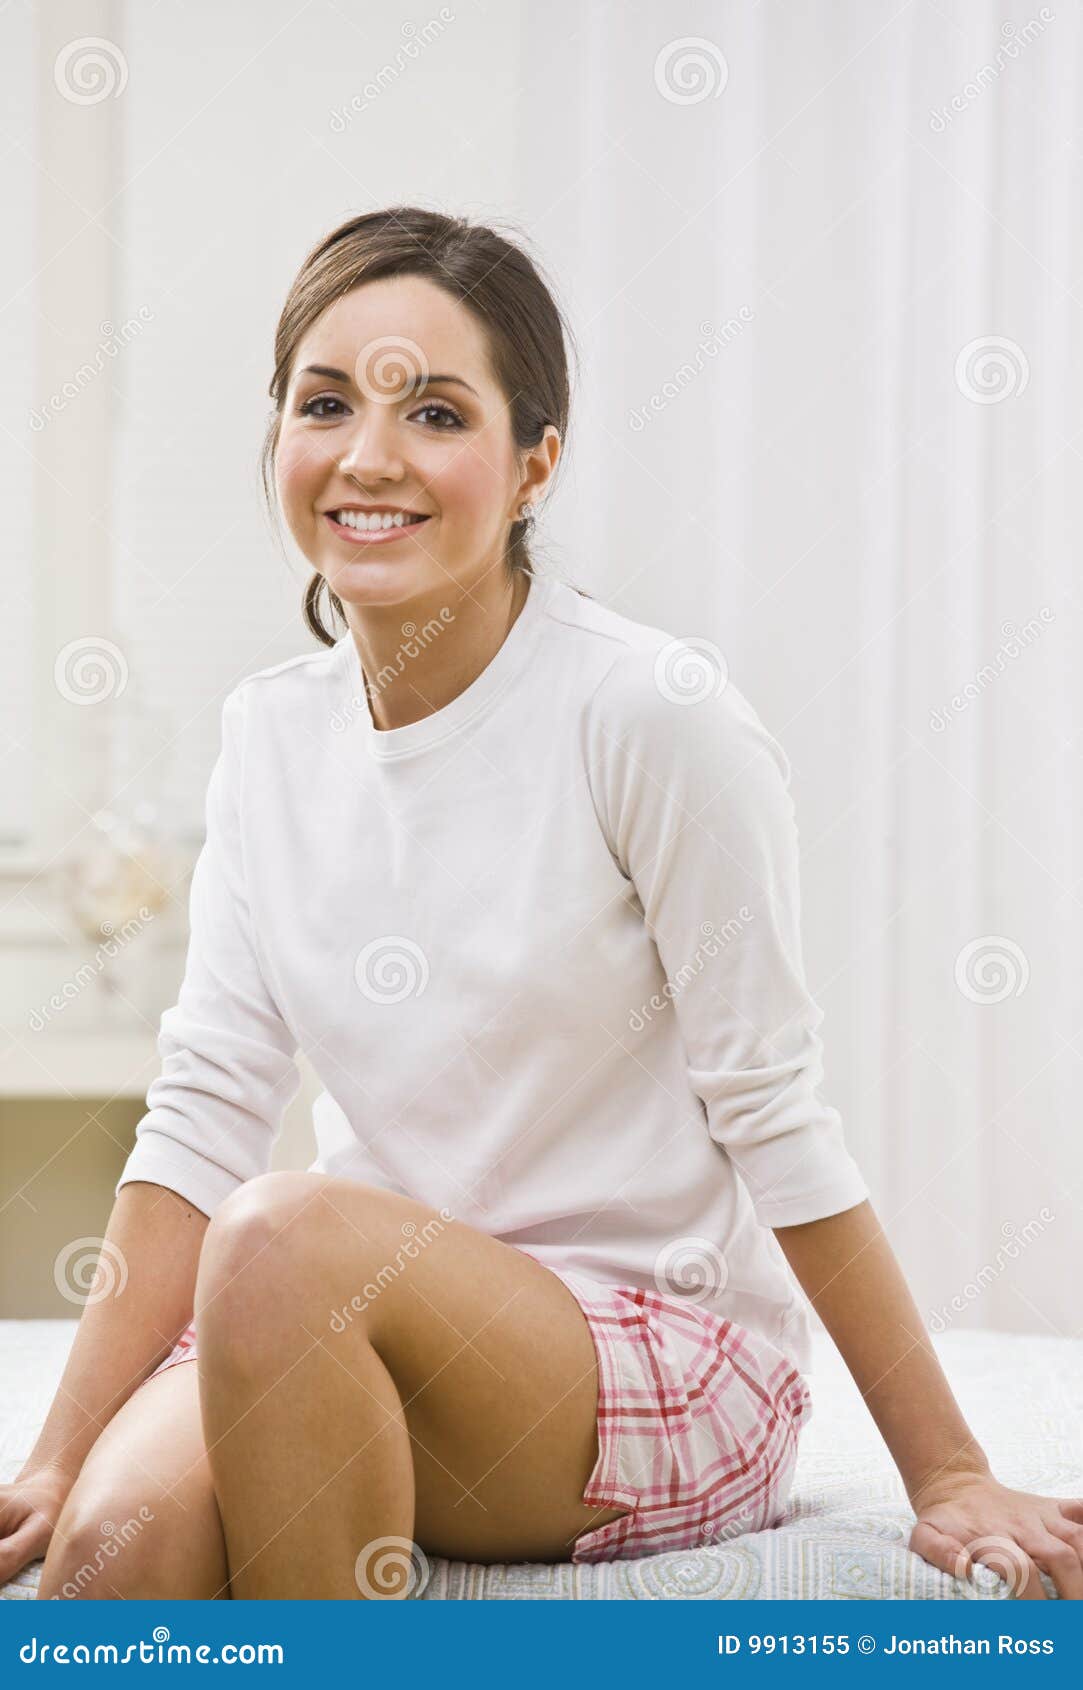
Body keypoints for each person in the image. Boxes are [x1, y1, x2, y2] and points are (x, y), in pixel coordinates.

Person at [5, 208, 1081, 1601]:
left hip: (658, 1345)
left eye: (437, 412)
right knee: (111, 1553)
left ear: (534, 464)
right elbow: (204, 1107)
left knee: (277, 1234)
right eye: (325, 403)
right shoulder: (270, 735)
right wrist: (51, 1458)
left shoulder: (646, 713)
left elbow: (773, 1108)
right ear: (279, 434)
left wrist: (947, 1470)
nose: (370, 457)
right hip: (343, 1313)